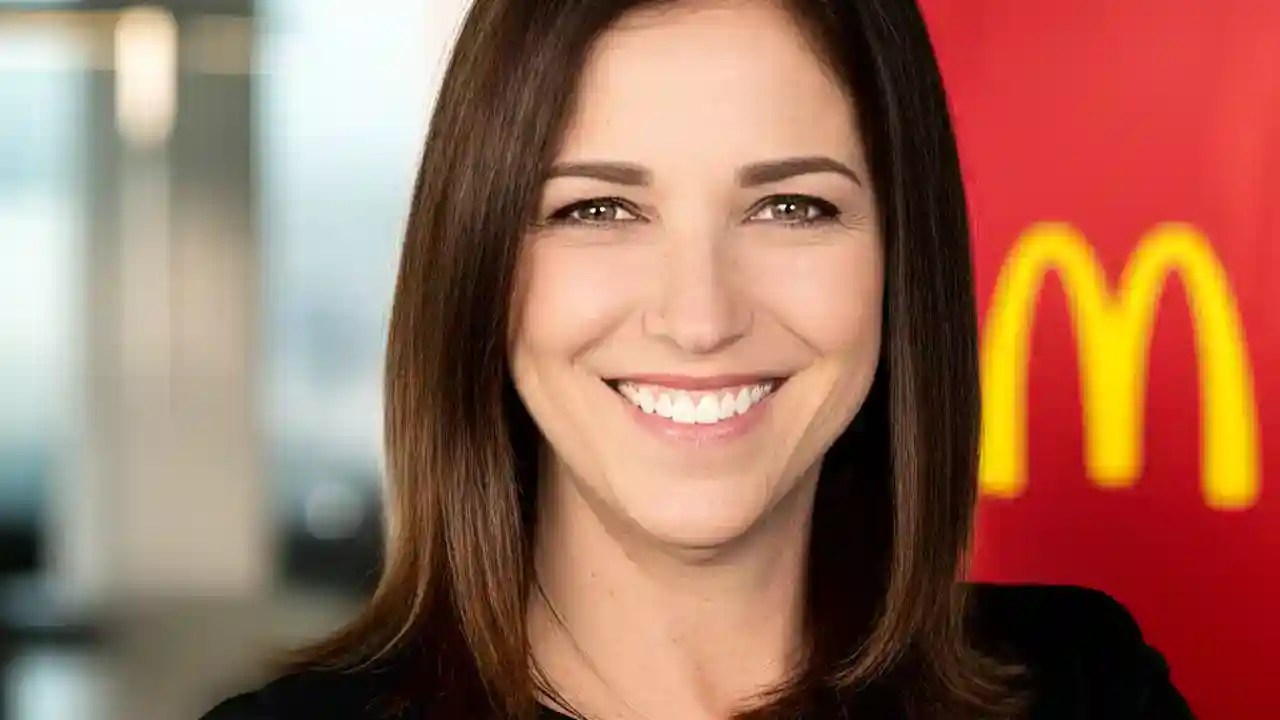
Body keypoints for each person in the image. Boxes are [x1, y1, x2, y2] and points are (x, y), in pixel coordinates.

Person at [203, 0, 1195, 717]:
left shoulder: (1083, 687)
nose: (698, 317)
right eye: (598, 209)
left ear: (902, 259)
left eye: (790, 207)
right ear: (477, 265)